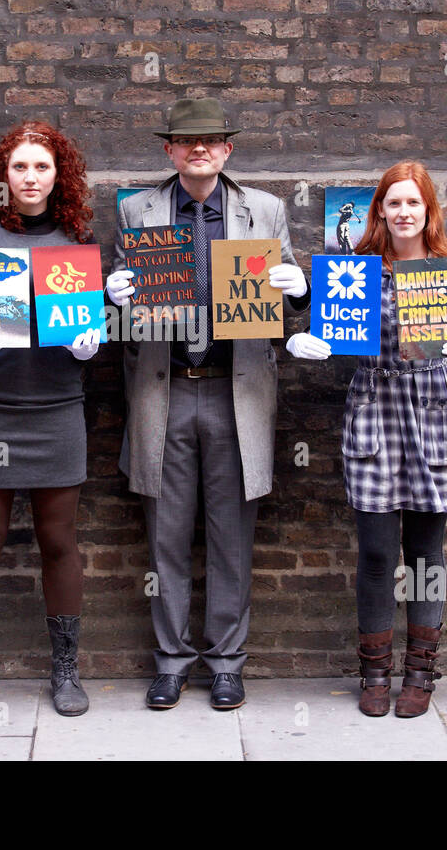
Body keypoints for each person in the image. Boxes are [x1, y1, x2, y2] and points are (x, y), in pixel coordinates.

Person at [105, 98, 310, 710]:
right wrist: (114, 293)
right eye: (187, 141)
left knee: (231, 537)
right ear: (168, 149)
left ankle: (225, 662)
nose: (200, 149)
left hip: (234, 389)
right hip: (163, 388)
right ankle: (171, 661)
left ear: (228, 150)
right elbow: (123, 302)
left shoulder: (265, 210)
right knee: (165, 537)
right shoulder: (137, 210)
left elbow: (285, 296)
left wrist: (297, 292)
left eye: (212, 140)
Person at [286, 161, 447, 718]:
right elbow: (323, 323)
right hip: (376, 408)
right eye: (393, 202)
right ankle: (375, 672)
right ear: (379, 209)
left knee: (426, 553)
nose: (403, 212)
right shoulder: (357, 271)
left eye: (414, 203)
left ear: (428, 210)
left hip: (432, 408)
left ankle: (421, 673)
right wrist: (304, 336)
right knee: (378, 551)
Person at [0, 120, 102, 719]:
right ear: (2, 177)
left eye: (41, 167)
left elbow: (87, 326)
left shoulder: (75, 240)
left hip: (58, 407)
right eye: (19, 167)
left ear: (59, 175)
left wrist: (91, 342)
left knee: (59, 540)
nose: (30, 177)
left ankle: (65, 671)